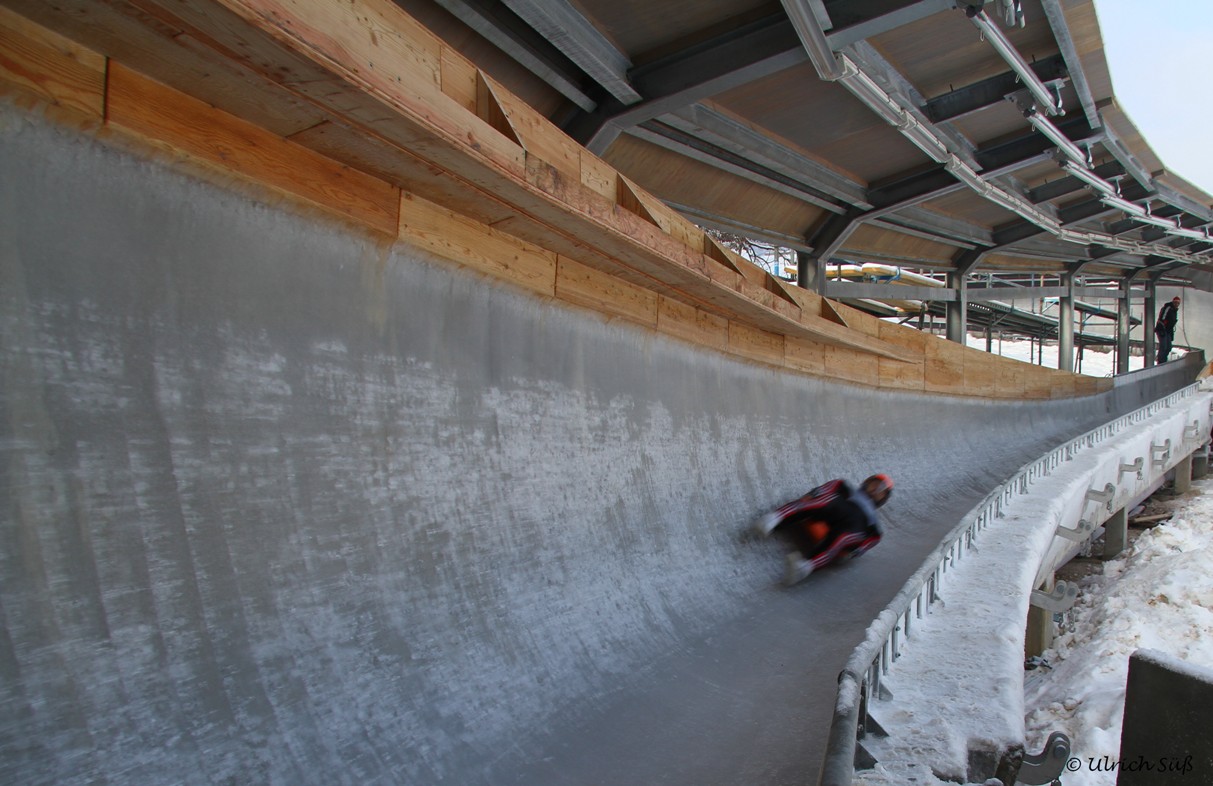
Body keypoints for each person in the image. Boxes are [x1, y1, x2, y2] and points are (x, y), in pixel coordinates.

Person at [753, 474, 893, 585]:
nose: (875, 490)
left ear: (882, 499)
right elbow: (822, 491)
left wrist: (851, 553)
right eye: (874, 485)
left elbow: (864, 545)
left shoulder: (873, 528)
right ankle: (776, 518)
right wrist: (810, 497)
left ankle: (805, 567)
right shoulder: (844, 487)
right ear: (867, 483)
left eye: (880, 491)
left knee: (844, 537)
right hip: (837, 506)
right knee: (826, 501)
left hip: (853, 526)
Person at [1155, 296, 1181, 364]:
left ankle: (1163, 360)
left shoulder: (1174, 311)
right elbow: (1162, 318)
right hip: (1162, 329)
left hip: (1168, 331)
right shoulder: (1168, 308)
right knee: (1163, 346)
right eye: (1175, 302)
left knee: (1169, 347)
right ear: (1173, 302)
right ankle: (1160, 361)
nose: (1176, 304)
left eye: (1178, 303)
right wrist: (1162, 327)